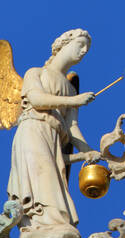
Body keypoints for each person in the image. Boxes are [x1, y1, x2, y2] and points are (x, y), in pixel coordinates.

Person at [8, 29, 96, 227]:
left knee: (55, 186)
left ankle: (55, 226)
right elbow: (36, 99)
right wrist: (73, 100)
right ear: (63, 45)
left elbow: (72, 127)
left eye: (86, 50)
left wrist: (88, 151)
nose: (83, 52)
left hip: (56, 137)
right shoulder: (36, 73)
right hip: (34, 130)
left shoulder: (71, 88)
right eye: (80, 45)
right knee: (42, 180)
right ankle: (42, 225)